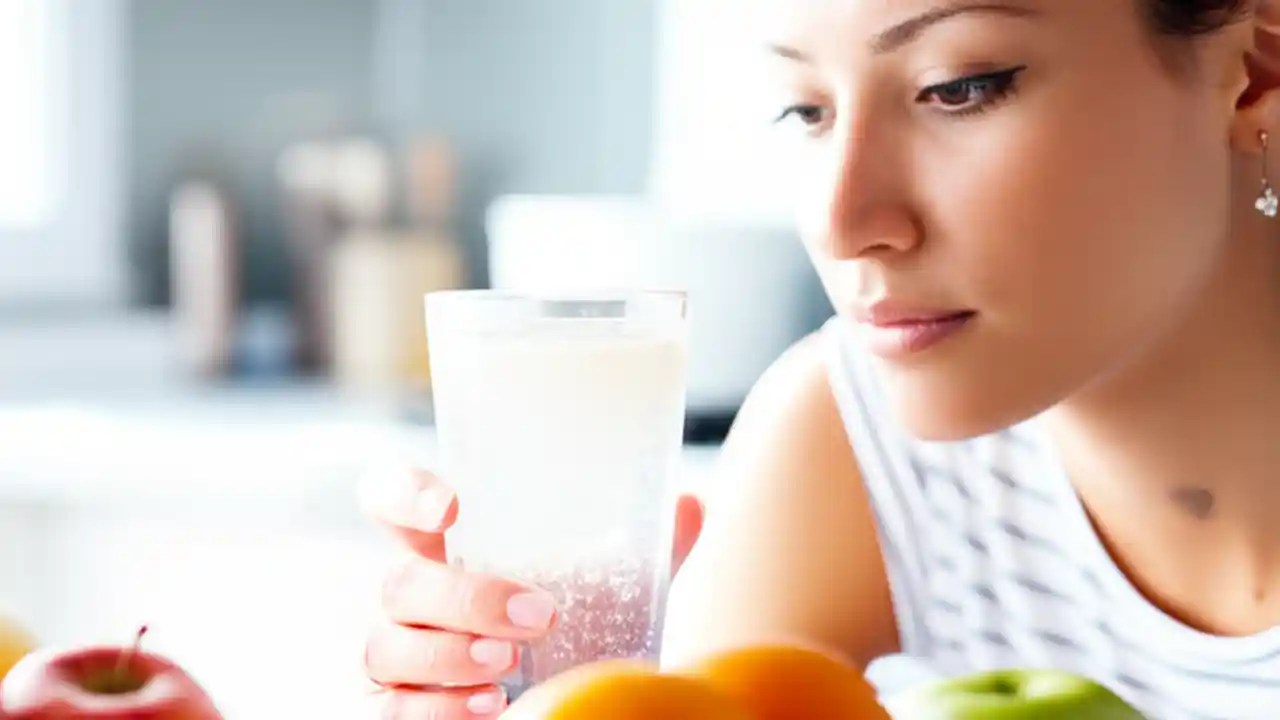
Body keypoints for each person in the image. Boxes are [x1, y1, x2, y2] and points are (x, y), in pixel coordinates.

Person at [360, 1, 1280, 717]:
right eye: (807, 109)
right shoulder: (844, 436)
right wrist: (558, 698)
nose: (842, 223)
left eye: (959, 87)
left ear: (1253, 72)